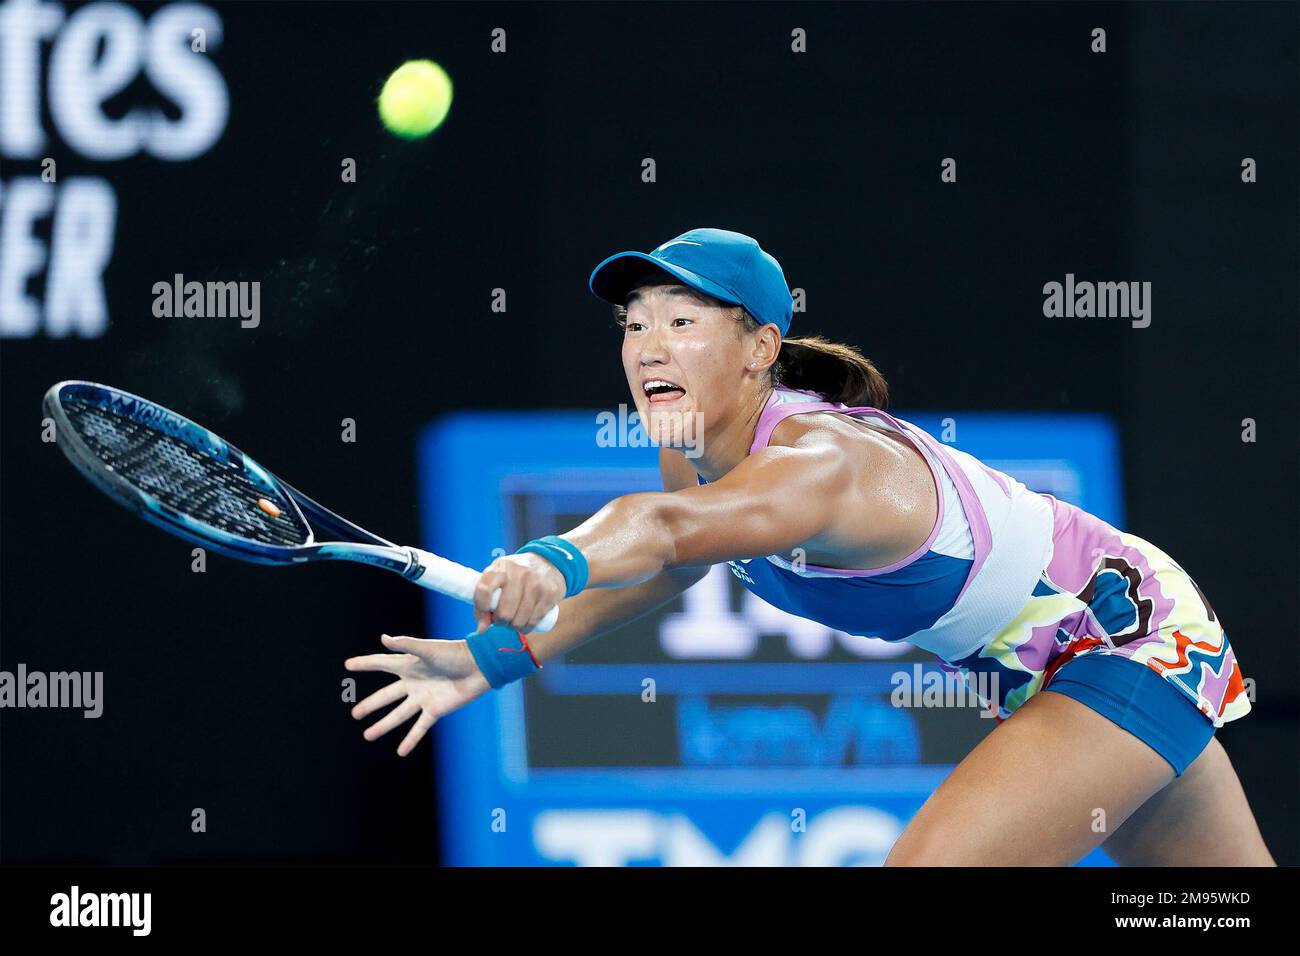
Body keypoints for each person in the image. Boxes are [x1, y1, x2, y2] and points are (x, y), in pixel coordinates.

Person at [344, 227, 1273, 866]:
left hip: (1127, 636)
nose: (647, 346)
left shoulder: (820, 461)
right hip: (1035, 667)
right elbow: (682, 557)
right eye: (634, 325)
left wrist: (555, 559)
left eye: (682, 321)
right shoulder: (697, 449)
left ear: (760, 348)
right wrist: (496, 656)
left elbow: (659, 530)